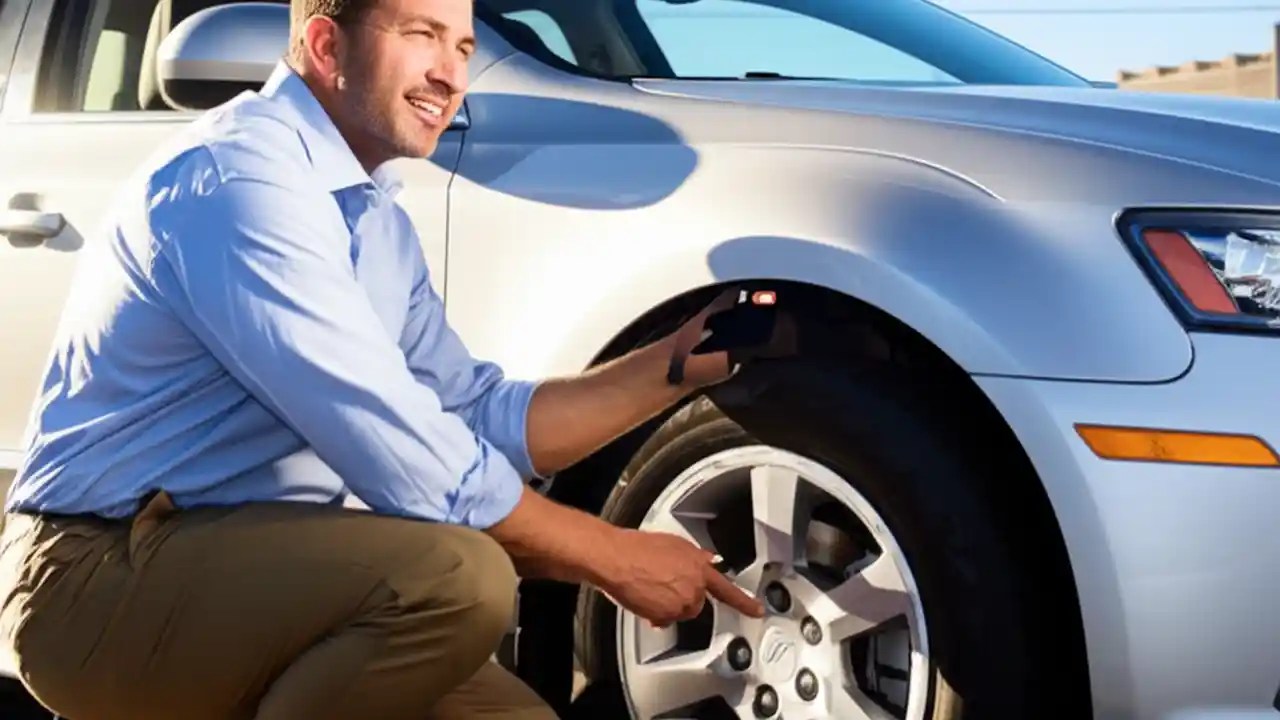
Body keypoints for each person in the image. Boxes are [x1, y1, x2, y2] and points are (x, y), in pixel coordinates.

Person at [0, 0, 792, 717]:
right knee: (458, 578)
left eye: (463, 45)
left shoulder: (375, 221)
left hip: (246, 570)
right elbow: (400, 449)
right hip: (95, 583)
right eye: (420, 36)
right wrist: (613, 558)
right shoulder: (240, 183)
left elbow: (475, 415)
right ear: (324, 44)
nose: (450, 72)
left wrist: (675, 365)